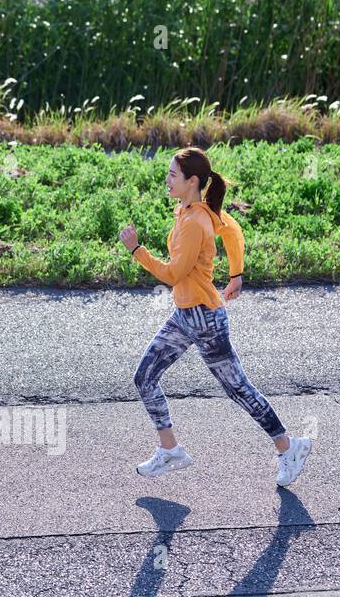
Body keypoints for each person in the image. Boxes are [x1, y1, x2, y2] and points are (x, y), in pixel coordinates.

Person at [118, 146, 312, 486]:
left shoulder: (195, 221)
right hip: (186, 315)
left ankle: (289, 446)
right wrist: (235, 274)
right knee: (144, 377)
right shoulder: (190, 210)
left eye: (172, 175)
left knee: (238, 389)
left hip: (205, 319)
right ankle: (170, 450)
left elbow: (173, 274)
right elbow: (233, 232)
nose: (167, 179)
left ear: (192, 181)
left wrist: (137, 250)